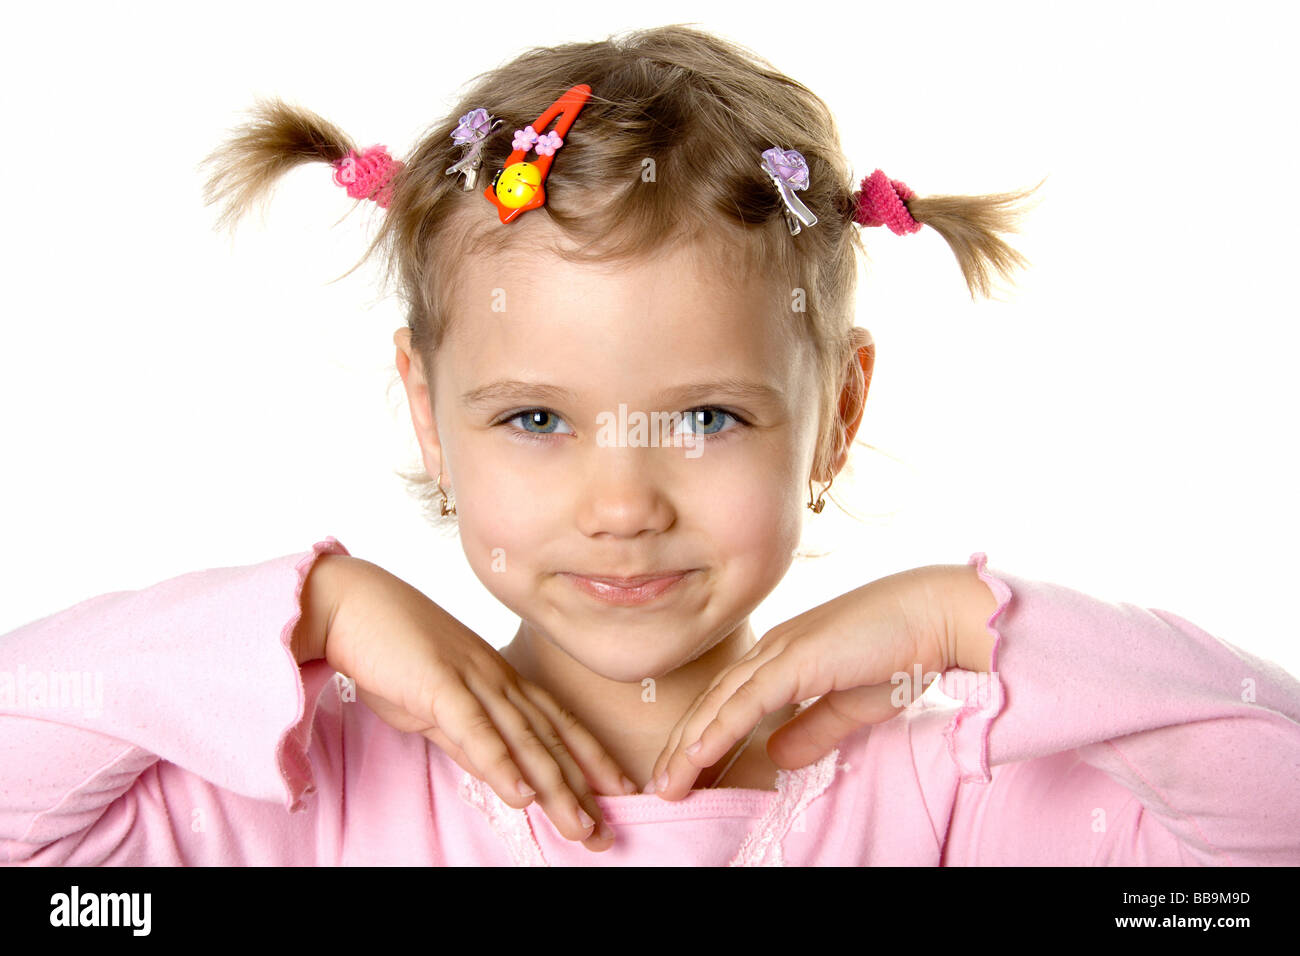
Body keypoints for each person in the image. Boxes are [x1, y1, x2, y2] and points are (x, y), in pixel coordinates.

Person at [3, 24, 1298, 866]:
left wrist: (972, 626)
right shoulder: (292, 795)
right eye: (534, 419)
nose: (622, 502)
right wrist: (306, 614)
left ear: (835, 417)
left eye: (705, 418)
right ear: (426, 412)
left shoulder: (948, 793)